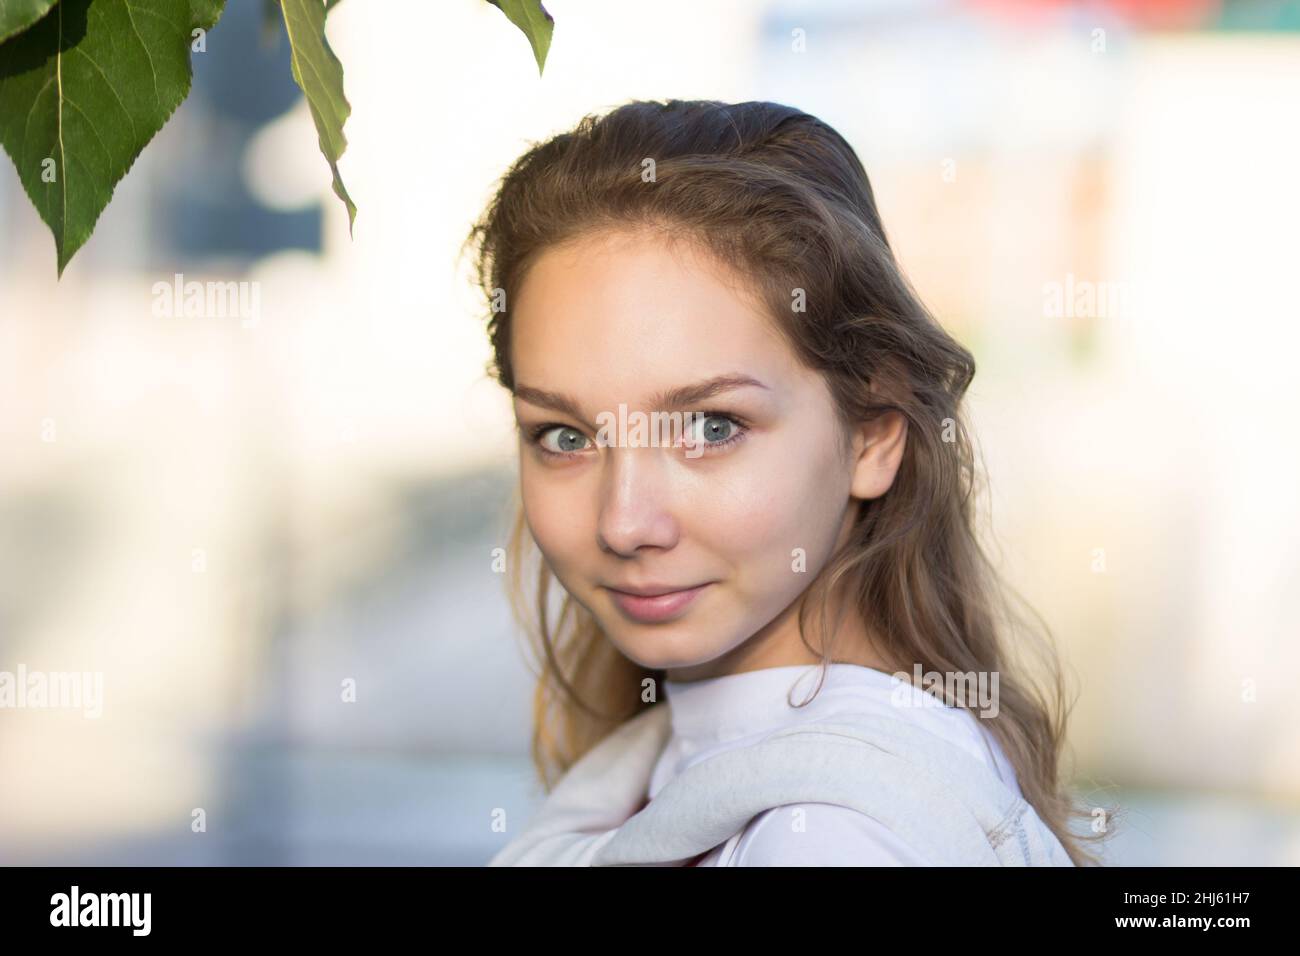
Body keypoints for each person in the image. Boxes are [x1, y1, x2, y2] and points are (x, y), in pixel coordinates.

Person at [464, 99, 1105, 866]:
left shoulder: (834, 835)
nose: (624, 522)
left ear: (874, 430)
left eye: (709, 426)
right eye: (565, 436)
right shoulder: (712, 767)